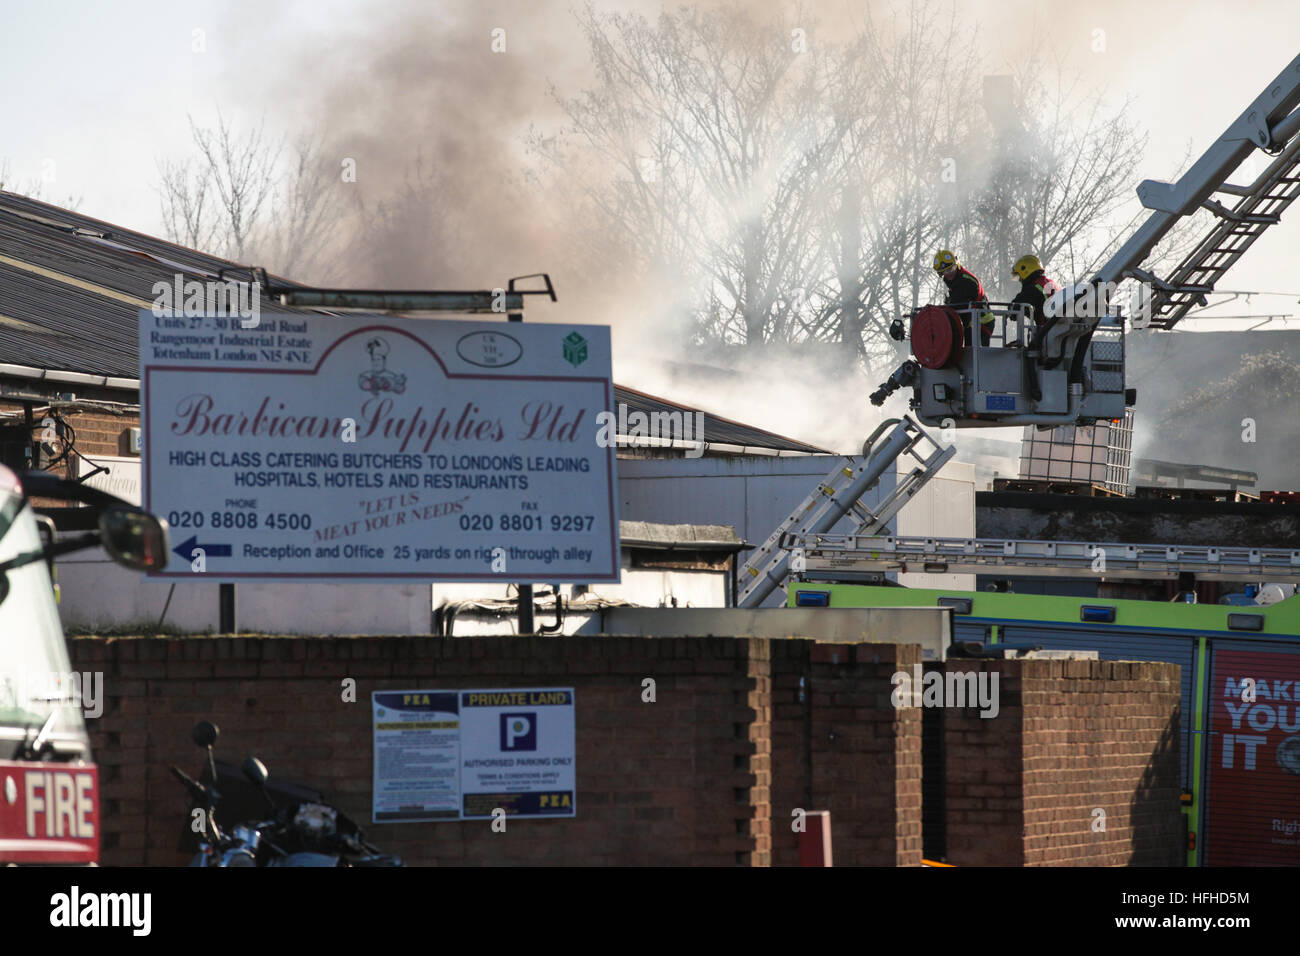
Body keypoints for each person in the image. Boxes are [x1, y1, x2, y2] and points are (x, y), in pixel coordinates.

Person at [933, 250, 992, 345]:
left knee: (973, 355)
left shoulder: (966, 281)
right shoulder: (955, 282)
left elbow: (959, 306)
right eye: (943, 272)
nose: (947, 274)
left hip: (982, 323)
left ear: (956, 265)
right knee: (963, 353)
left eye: (950, 269)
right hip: (970, 324)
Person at [1010, 254, 1060, 328]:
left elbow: (1014, 308)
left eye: (1020, 277)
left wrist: (1012, 312)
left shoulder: (1033, 289)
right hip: (1059, 328)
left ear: (1026, 272)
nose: (1020, 280)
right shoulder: (1050, 283)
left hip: (1047, 331)